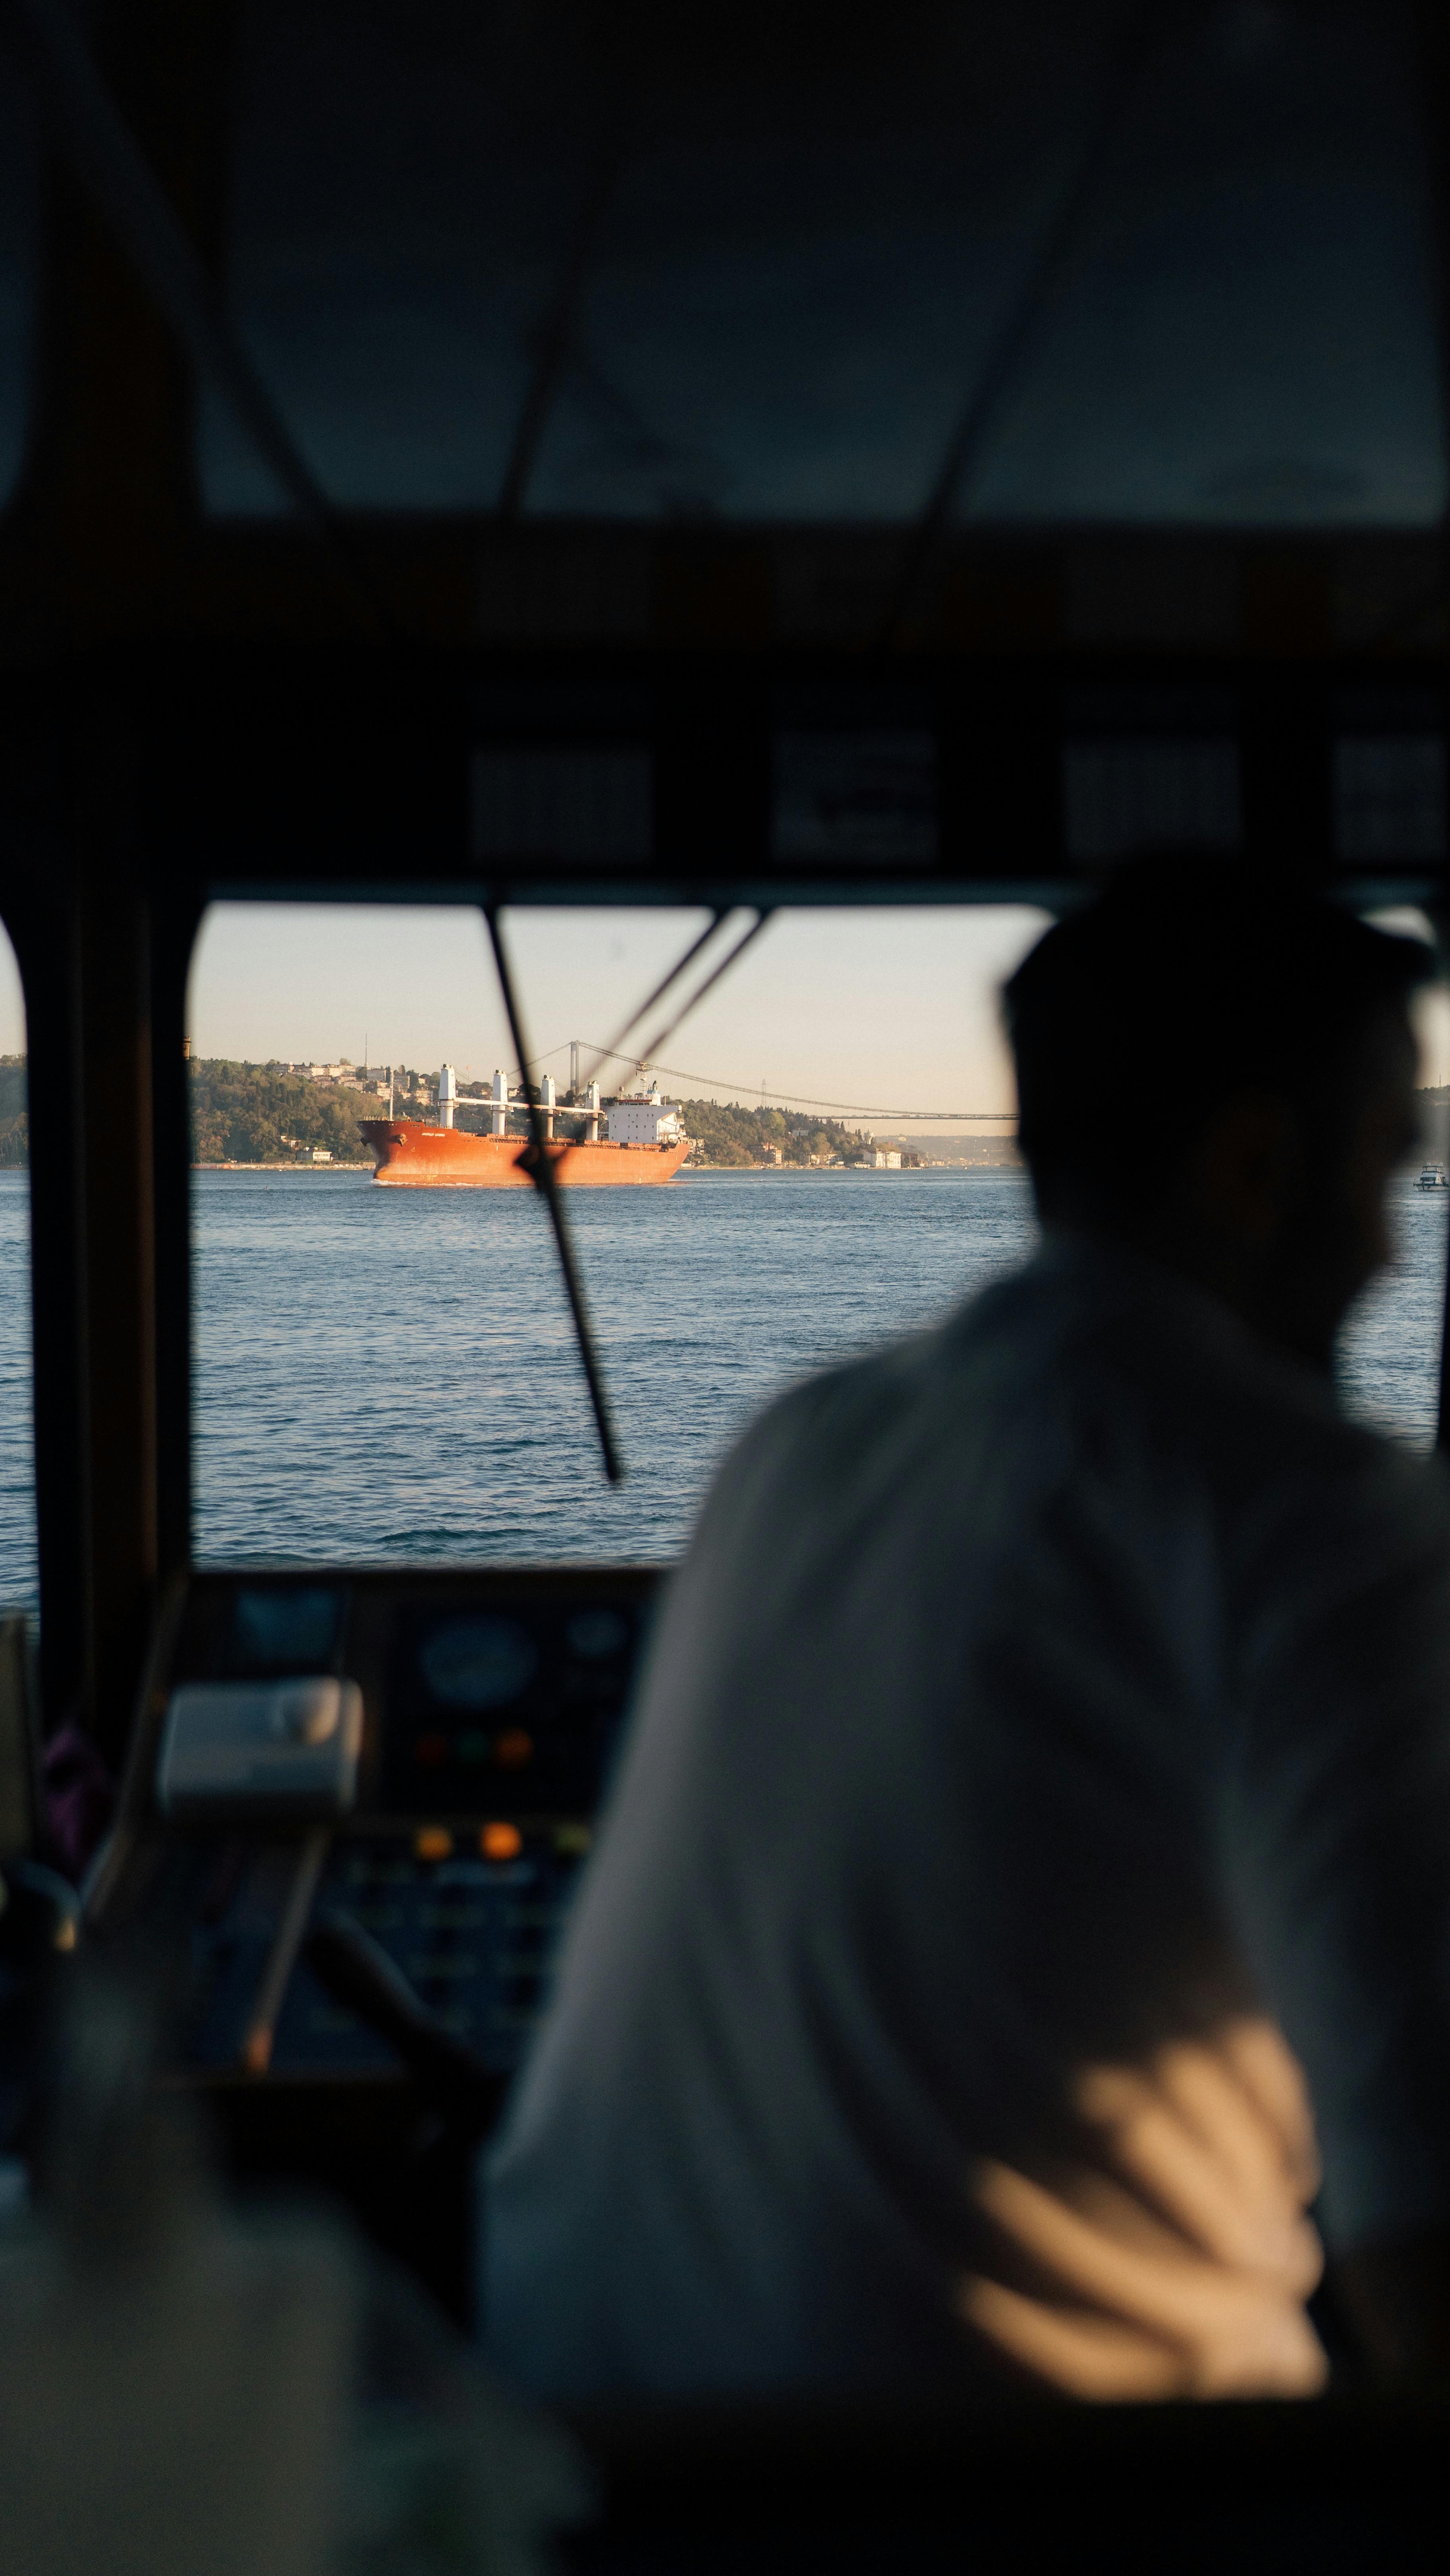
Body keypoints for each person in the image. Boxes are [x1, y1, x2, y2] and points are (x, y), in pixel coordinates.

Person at [484, 865, 1450, 2402]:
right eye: (1390, 1174)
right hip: (1014, 2503)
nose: (1395, 1256)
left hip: (576, 2468)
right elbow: (1429, 2250)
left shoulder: (802, 1444)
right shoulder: (1309, 1515)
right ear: (1254, 1166)